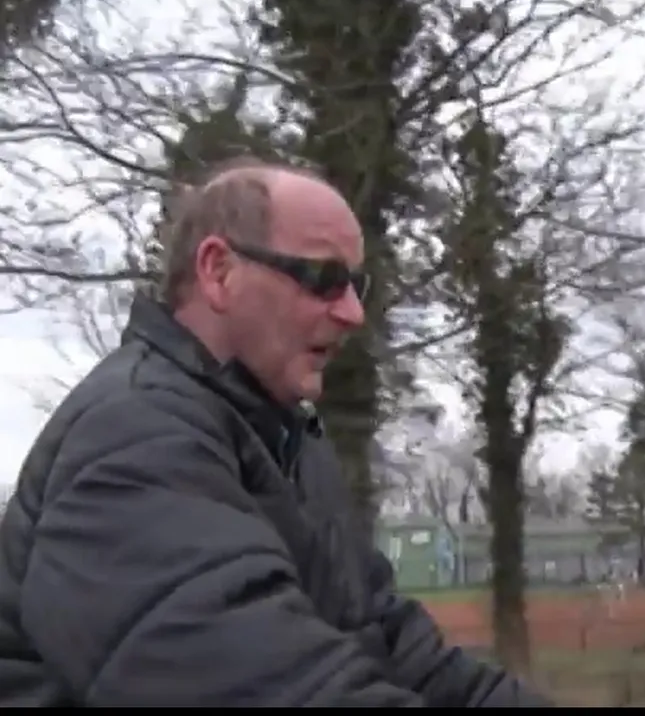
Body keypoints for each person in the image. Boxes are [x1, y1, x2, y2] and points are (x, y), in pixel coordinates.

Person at [0, 158, 552, 707]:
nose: (353, 312)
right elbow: (275, 689)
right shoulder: (133, 438)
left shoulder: (290, 445)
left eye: (357, 284)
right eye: (323, 279)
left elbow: (402, 652)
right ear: (218, 271)